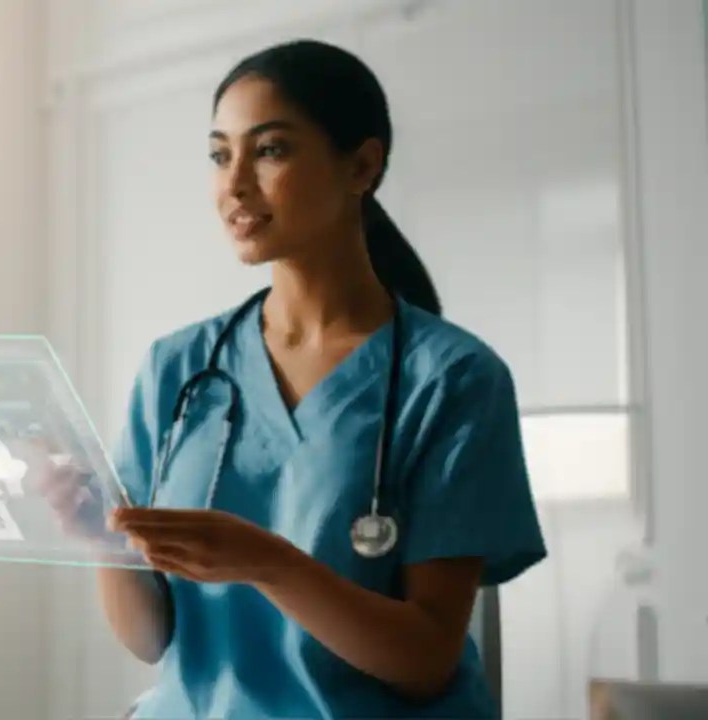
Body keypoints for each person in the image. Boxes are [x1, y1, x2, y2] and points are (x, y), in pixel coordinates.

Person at [39, 39, 547, 719]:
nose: (235, 184)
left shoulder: (452, 380)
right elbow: (152, 638)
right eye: (221, 155)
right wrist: (103, 541)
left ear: (362, 165)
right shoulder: (179, 369)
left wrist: (268, 563)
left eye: (270, 150)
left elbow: (426, 661)